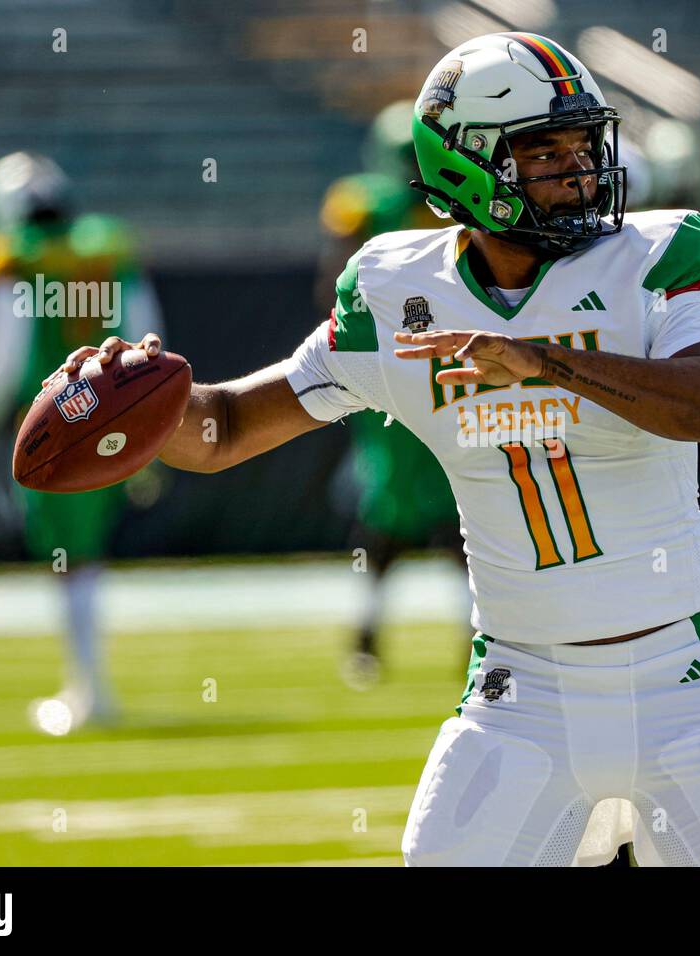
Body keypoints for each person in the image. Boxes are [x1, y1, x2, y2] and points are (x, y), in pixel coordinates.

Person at [51, 33, 700, 866]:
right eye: (546, 150)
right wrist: (130, 401)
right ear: (468, 166)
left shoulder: (656, 255)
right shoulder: (395, 293)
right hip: (521, 693)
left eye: (583, 145)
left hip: (691, 675)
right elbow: (229, 428)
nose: (581, 170)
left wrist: (546, 362)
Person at [0, 151, 160, 733]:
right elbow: (147, 332)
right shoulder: (106, 245)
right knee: (87, 558)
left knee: (70, 562)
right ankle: (89, 687)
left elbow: (4, 351)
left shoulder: (14, 256)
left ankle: (90, 693)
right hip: (115, 420)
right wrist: (152, 427)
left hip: (54, 427)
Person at [318, 101, 463, 689]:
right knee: (456, 514)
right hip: (456, 369)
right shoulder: (453, 201)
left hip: (389, 368)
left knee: (389, 523)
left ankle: (367, 639)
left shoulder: (363, 204)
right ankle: (478, 635)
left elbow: (334, 287)